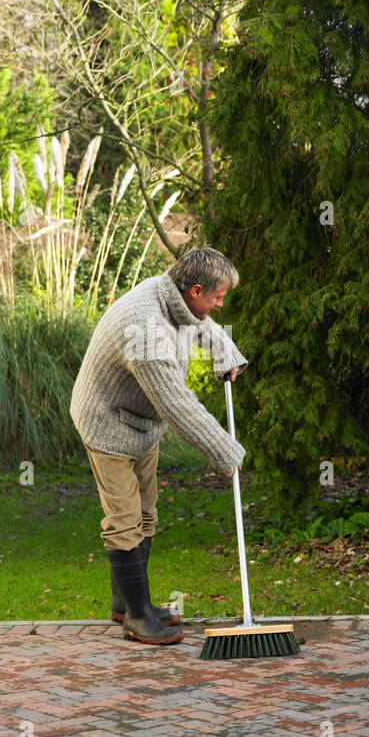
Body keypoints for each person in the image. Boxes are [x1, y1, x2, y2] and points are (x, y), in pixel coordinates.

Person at [70, 247, 248, 645]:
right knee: (125, 520)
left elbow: (197, 322)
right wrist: (225, 451)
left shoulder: (172, 295)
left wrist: (226, 352)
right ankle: (136, 617)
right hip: (106, 422)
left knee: (146, 514)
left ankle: (129, 603)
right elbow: (177, 405)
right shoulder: (145, 326)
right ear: (196, 289)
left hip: (141, 423)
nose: (219, 304)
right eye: (217, 297)